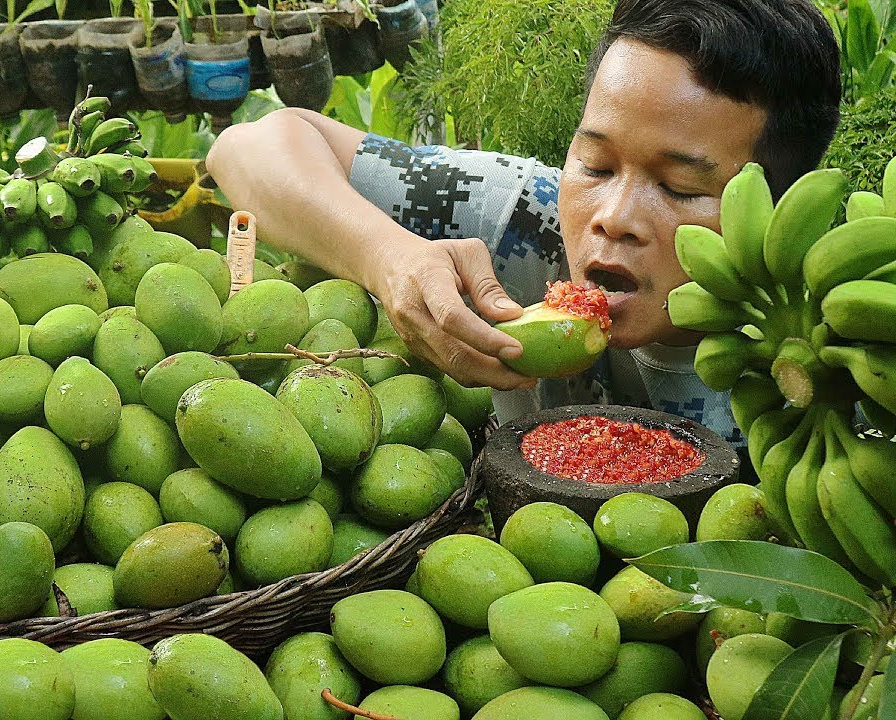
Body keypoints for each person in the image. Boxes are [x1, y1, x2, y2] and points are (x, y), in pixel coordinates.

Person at [206, 0, 841, 447]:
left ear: (773, 210)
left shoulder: (817, 375)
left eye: (678, 186)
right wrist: (389, 257)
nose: (613, 218)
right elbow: (249, 147)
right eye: (594, 165)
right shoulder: (523, 219)